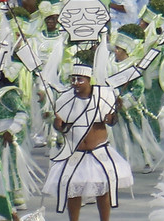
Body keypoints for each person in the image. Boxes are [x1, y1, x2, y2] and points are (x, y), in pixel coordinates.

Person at [47, 52, 134, 221]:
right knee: (73, 190)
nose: (75, 83)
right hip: (75, 152)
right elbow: (60, 126)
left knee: (102, 189)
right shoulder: (65, 99)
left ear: (88, 80)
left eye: (80, 80)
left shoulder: (103, 97)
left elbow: (111, 121)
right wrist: (58, 125)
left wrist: (112, 117)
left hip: (98, 151)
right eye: (73, 79)